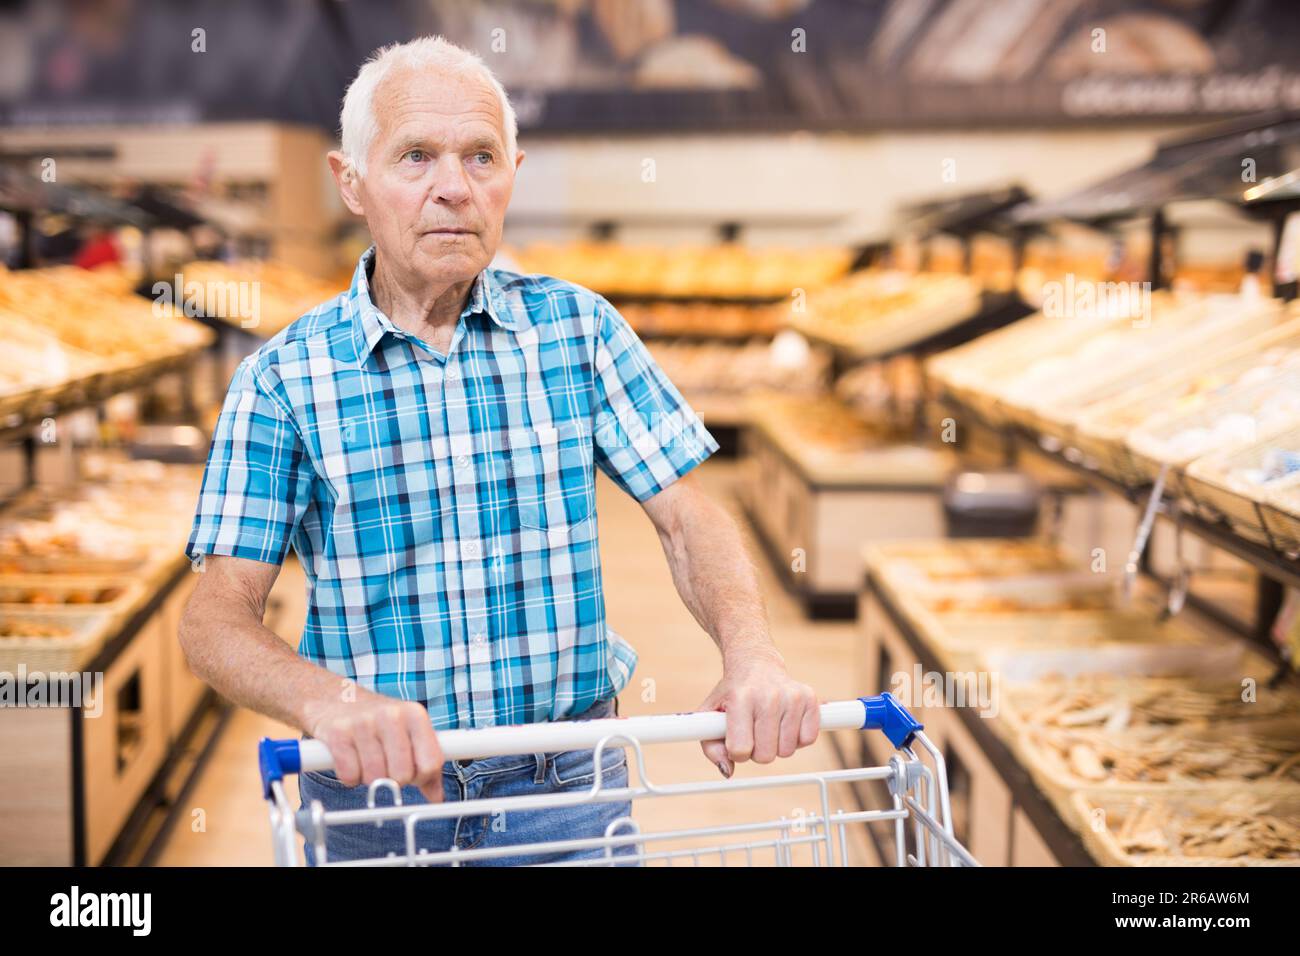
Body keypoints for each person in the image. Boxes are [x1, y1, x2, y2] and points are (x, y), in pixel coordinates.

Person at [179, 35, 820, 866]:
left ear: (513, 171)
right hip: (379, 803)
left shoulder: (578, 330)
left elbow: (686, 516)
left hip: (567, 796)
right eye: (416, 157)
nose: (455, 186)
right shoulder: (283, 380)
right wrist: (328, 701)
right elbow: (214, 615)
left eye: (481, 157)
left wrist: (752, 656)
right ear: (351, 184)